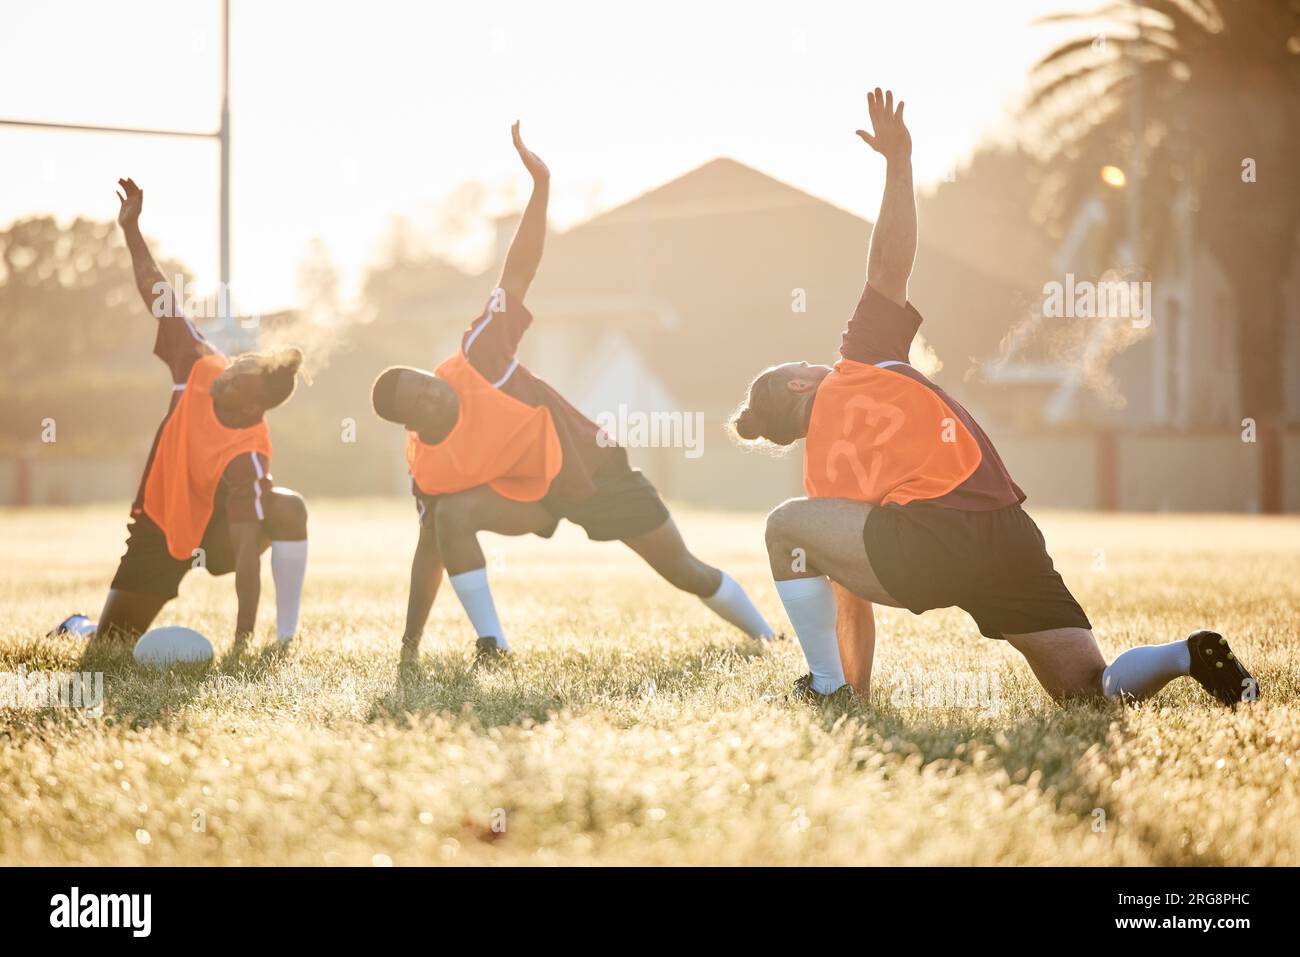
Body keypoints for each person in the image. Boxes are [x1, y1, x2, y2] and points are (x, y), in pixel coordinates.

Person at [730, 90, 1257, 707]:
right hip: (1006, 527)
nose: (811, 359)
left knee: (784, 527)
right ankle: (1182, 654)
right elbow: (888, 267)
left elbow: (852, 606)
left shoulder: (823, 479)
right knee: (1090, 691)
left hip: (930, 541)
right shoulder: (860, 358)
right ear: (799, 383)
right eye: (800, 363)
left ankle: (826, 689)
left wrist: (855, 691)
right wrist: (899, 165)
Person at [371, 124, 774, 661]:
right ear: (410, 425)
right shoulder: (429, 465)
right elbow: (429, 553)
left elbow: (518, 272)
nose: (434, 395)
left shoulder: (480, 358)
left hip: (593, 469)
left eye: (427, 382)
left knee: (684, 570)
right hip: (530, 497)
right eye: (419, 401)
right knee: (450, 519)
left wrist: (540, 188)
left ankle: (768, 637)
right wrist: (408, 647)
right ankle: (493, 644)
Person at [52, 179, 309, 646]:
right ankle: (77, 627)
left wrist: (242, 641)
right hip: (161, 522)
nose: (227, 372)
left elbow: (248, 551)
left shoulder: (249, 452)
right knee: (109, 648)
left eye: (238, 377)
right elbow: (159, 292)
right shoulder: (198, 362)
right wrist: (132, 230)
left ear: (251, 406)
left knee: (288, 507)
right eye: (237, 364)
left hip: (216, 536)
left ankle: (287, 638)